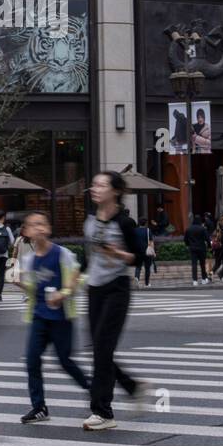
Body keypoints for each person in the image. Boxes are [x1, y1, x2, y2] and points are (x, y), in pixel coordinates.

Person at [81, 170, 146, 431]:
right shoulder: (89, 222)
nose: (94, 188)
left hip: (117, 289)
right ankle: (131, 386)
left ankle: (102, 412)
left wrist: (116, 253)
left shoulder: (124, 223)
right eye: (93, 184)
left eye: (101, 185)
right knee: (98, 349)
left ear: (115, 191)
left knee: (102, 350)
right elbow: (89, 257)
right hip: (94, 289)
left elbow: (139, 257)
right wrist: (76, 275)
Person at [18, 212, 91, 424]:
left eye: (42, 223)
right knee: (32, 360)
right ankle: (39, 407)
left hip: (61, 317)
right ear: (27, 232)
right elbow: (33, 289)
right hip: (39, 316)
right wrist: (20, 283)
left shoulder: (62, 254)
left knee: (65, 361)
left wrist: (63, 294)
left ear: (48, 229)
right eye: (33, 225)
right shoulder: (29, 259)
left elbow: (78, 278)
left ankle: (93, 390)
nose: (38, 228)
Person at [184, 216, 210, 286]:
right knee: (202, 264)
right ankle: (204, 279)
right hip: (202, 248)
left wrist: (188, 245)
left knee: (194, 264)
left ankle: (195, 280)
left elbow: (185, 239)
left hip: (192, 248)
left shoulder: (188, 229)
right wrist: (210, 247)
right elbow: (207, 238)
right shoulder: (202, 229)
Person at [133, 216, 156, 287]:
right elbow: (151, 242)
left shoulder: (135, 230)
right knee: (147, 268)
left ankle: (137, 277)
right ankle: (147, 283)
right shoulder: (148, 230)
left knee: (138, 266)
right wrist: (153, 252)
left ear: (139, 223)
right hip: (147, 251)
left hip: (138, 251)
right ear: (145, 223)